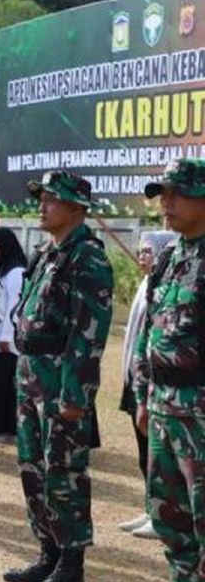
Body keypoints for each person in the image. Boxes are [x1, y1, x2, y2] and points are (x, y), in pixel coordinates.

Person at [2, 170, 113, 582]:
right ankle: (47, 550)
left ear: (78, 208)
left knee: (64, 471)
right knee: (32, 467)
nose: (43, 205)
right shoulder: (48, 253)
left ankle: (72, 564)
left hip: (59, 380)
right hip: (31, 374)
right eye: (43, 197)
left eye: (54, 199)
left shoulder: (87, 258)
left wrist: (73, 394)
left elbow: (88, 335)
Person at [132, 159, 205, 582]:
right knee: (170, 514)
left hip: (200, 408)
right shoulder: (172, 256)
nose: (166, 202)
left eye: (178, 193)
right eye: (162, 193)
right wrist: (142, 395)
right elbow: (149, 329)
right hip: (163, 405)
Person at [117, 230, 178, 539]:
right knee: (145, 452)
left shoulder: (169, 282)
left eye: (147, 251)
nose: (142, 256)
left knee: (160, 458)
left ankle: (162, 513)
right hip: (138, 380)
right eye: (139, 251)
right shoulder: (147, 283)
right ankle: (150, 507)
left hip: (167, 388)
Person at [0, 227, 27, 444]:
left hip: (5, 341)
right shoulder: (0, 269)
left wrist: (7, 337)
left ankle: (5, 428)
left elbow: (14, 305)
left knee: (3, 386)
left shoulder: (16, 272)